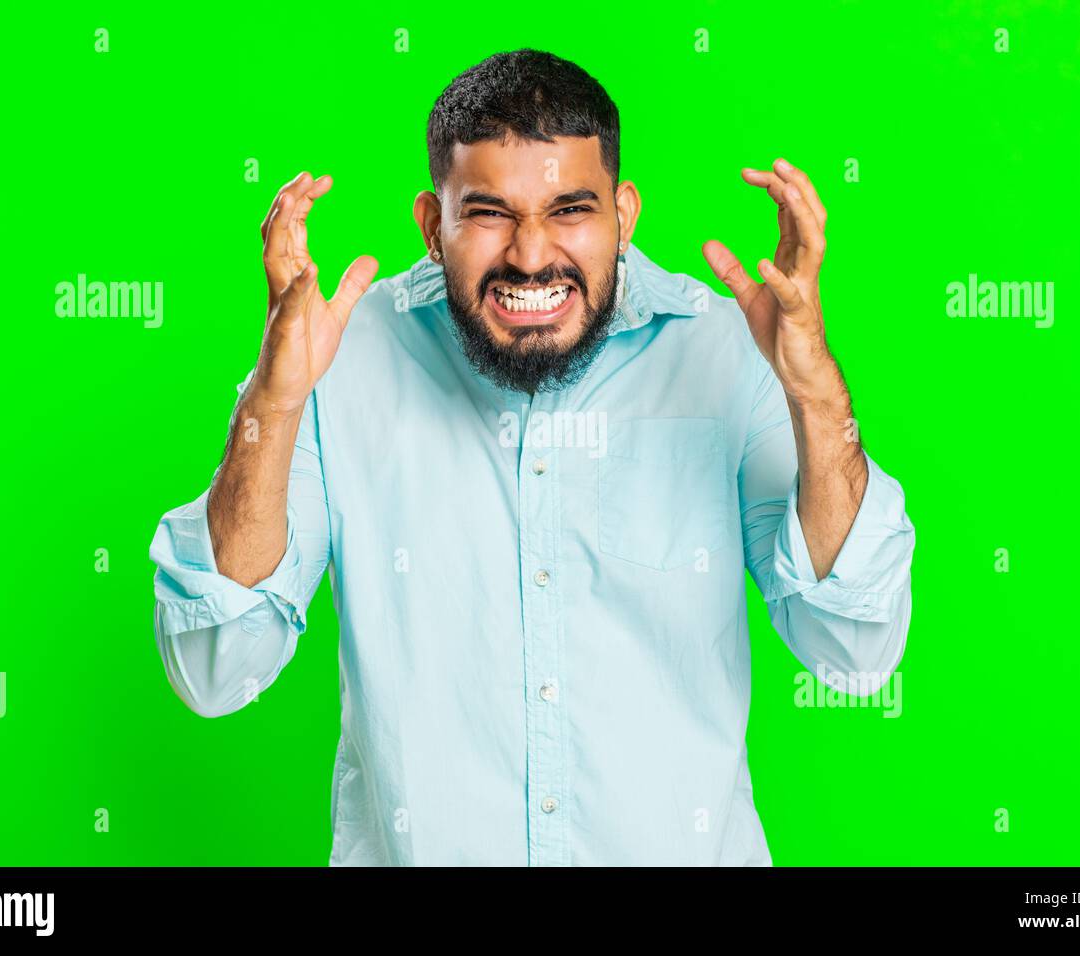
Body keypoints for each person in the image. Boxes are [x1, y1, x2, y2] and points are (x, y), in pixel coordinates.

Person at [149, 48, 915, 866]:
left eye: (570, 209)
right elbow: (215, 666)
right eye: (488, 213)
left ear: (624, 214)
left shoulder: (729, 352)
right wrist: (274, 397)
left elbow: (854, 650)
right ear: (431, 227)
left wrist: (816, 394)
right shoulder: (340, 360)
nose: (529, 255)